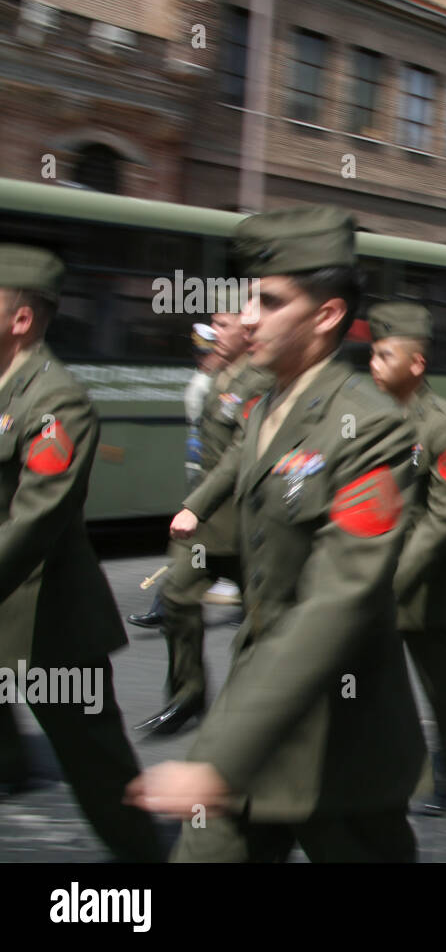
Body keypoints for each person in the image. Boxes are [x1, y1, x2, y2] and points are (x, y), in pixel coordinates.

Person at [127, 206, 426, 862]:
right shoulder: (266, 404)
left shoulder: (369, 427)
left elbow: (336, 600)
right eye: (245, 300)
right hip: (256, 716)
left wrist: (216, 761)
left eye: (268, 300)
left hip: (338, 742)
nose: (247, 317)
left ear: (325, 316)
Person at [0, 244, 163, 860]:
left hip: (50, 620)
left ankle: (142, 858)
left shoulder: (54, 400)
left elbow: (36, 517)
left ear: (20, 319)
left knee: (97, 762)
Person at [134, 311, 270, 736]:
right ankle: (186, 697)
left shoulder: (257, 381)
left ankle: (262, 711)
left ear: (246, 333)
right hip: (208, 525)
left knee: (263, 624)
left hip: (245, 525)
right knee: (175, 599)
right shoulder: (220, 376)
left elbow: (239, 452)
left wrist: (195, 504)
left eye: (223, 324)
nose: (214, 330)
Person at [368, 301, 446, 815]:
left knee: (444, 686)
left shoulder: (443, 424)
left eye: (385, 354)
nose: (373, 362)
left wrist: (397, 577)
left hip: (429, 582)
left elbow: (443, 515)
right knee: (379, 683)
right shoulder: (369, 415)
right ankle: (398, 773)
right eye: (372, 352)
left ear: (416, 363)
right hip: (373, 573)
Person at [127, 322, 230, 630]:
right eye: (199, 355)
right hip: (205, 475)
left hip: (221, 479)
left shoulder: (227, 384)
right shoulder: (208, 383)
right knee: (193, 543)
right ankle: (166, 606)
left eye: (207, 354)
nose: (203, 360)